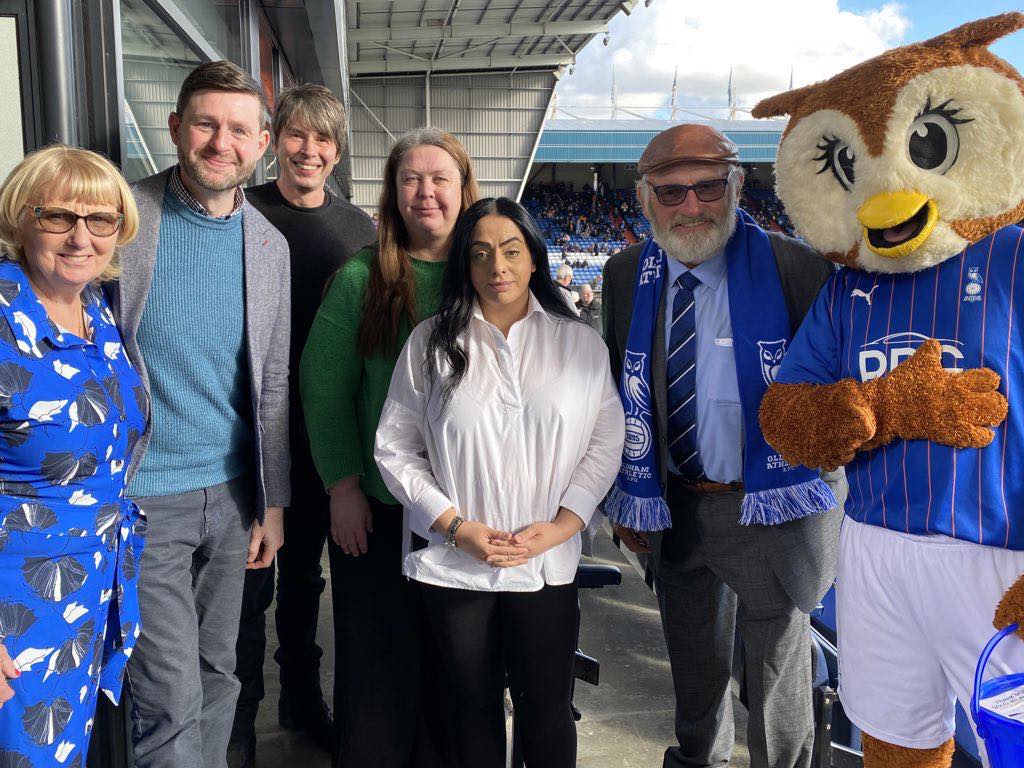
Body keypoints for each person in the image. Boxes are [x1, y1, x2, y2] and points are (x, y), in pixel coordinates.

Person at [601, 124, 847, 768]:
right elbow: (616, 390)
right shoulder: (625, 274)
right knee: (695, 674)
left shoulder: (797, 269)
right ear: (644, 197)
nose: (691, 207)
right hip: (678, 508)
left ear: (737, 185)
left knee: (776, 680)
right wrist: (626, 499)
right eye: (671, 191)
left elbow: (838, 395)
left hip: (770, 510)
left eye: (708, 187)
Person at [375, 197, 625, 768]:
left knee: (547, 713)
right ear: (464, 263)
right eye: (481, 253)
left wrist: (562, 526)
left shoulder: (578, 345)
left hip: (547, 568)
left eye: (512, 250)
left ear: (535, 259)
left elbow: (604, 442)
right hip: (457, 567)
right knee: (468, 713)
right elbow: (395, 447)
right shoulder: (431, 344)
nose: (498, 267)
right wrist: (454, 525)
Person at [110, 60, 291, 768]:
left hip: (234, 497)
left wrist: (272, 504)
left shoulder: (268, 246)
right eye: (207, 124)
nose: (222, 142)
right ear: (176, 128)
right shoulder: (124, 218)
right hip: (144, 496)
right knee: (167, 692)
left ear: (263, 142)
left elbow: (271, 385)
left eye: (240, 129)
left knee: (222, 674)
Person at [300, 126, 478, 767]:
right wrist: (343, 486)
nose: (425, 192)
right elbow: (324, 388)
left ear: (465, 189)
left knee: (454, 675)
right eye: (411, 179)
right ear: (392, 193)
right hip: (380, 514)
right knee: (379, 671)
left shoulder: (489, 272)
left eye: (440, 179)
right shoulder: (362, 277)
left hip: (469, 520)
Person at [229, 83, 375, 766]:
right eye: (296, 135)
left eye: (322, 141)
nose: (308, 150)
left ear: (336, 152)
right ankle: (240, 722)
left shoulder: (357, 229)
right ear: (272, 141)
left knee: (307, 580)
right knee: (250, 585)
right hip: (251, 432)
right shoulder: (241, 213)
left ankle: (299, 696)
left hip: (322, 432)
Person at [0, 145, 147, 765]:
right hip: (16, 606)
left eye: (99, 220)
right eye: (58, 216)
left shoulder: (96, 313)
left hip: (91, 589)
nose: (80, 237)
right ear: (20, 221)